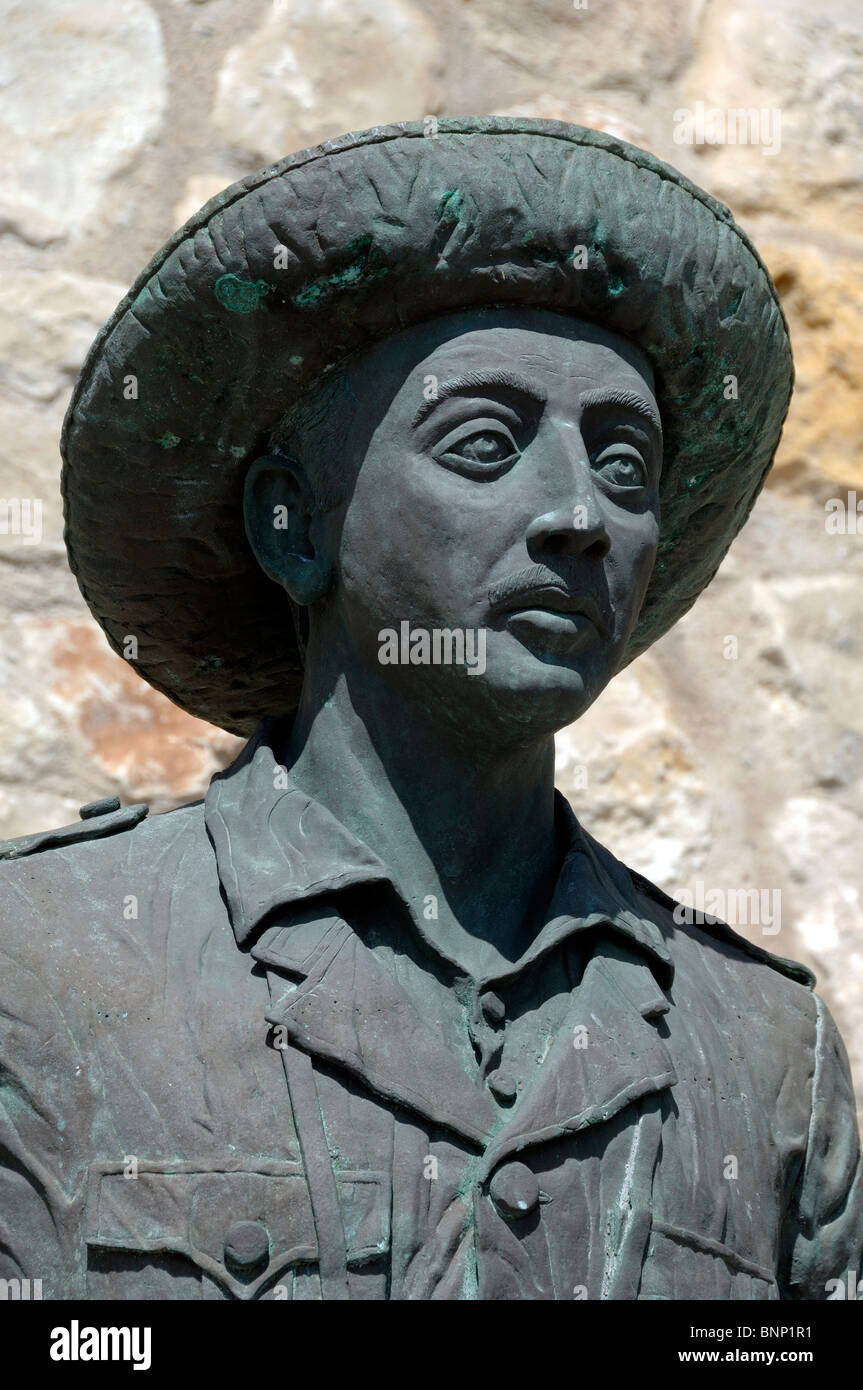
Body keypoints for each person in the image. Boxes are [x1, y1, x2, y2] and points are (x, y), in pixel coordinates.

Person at [1, 118, 860, 1300]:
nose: (577, 515)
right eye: (483, 443)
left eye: (623, 467)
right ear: (293, 526)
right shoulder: (39, 961)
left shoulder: (768, 1055)